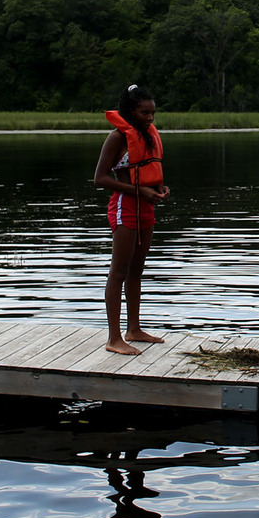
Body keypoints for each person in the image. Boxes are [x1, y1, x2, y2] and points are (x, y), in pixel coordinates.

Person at [95, 84, 170, 355]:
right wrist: (138, 191)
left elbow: (149, 172)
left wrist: (160, 189)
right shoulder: (117, 137)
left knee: (137, 270)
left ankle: (134, 329)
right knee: (119, 272)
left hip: (146, 207)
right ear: (130, 111)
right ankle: (114, 338)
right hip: (125, 207)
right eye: (144, 112)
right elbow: (100, 178)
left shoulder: (148, 136)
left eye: (152, 112)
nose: (150, 117)